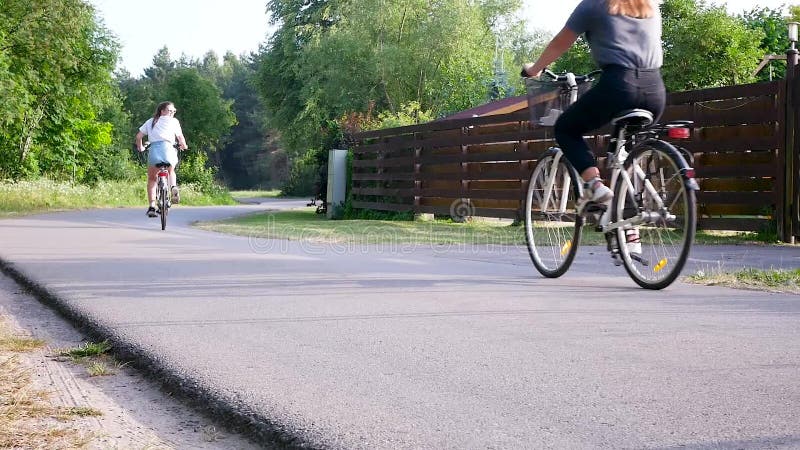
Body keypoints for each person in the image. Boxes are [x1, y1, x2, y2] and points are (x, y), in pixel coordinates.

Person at [521, 0, 665, 207]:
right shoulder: (650, 6)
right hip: (655, 91)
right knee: (623, 158)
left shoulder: (594, 5)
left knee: (565, 128)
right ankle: (627, 228)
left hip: (620, 85)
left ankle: (594, 185)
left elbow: (560, 43)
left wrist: (534, 69)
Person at [135, 101, 188, 217]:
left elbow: (138, 136)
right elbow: (180, 138)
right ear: (162, 111)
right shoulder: (174, 122)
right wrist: (184, 146)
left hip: (154, 152)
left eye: (174, 111)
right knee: (171, 170)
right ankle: (173, 187)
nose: (172, 113)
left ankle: (152, 207)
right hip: (169, 151)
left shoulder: (150, 122)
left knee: (152, 179)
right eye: (170, 111)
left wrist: (141, 148)